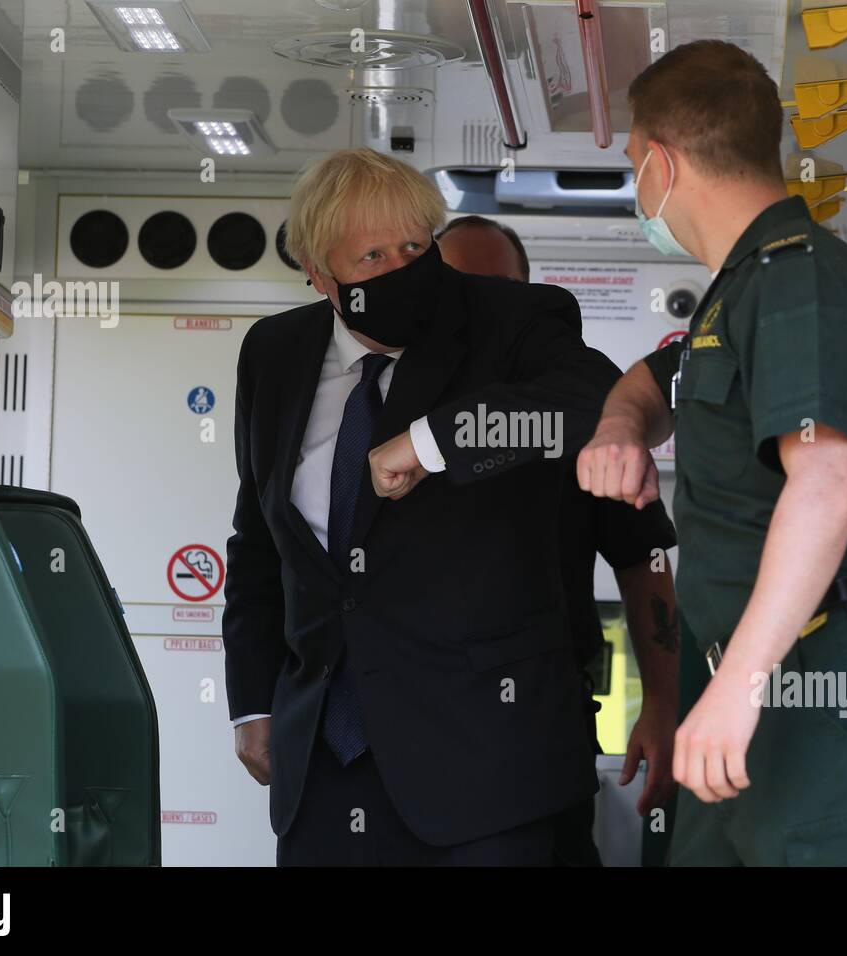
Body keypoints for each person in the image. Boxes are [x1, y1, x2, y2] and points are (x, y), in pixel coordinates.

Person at [576, 40, 847, 866]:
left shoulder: (799, 278)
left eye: (633, 166)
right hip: (753, 696)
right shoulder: (740, 293)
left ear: (660, 162)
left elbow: (826, 481)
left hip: (831, 698)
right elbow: (659, 379)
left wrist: (737, 688)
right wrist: (619, 428)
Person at [223, 147, 619, 866]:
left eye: (414, 246)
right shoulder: (274, 353)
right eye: (371, 256)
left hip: (488, 768)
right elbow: (259, 541)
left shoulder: (510, 322)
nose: (401, 268)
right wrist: (252, 702)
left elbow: (596, 404)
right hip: (324, 764)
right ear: (319, 274)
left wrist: (434, 442)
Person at [436, 215, 680, 866]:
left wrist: (662, 701)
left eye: (500, 290)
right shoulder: (391, 398)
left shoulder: (580, 396)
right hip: (405, 720)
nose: (481, 306)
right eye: (460, 287)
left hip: (542, 721)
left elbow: (643, 555)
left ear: (528, 294)